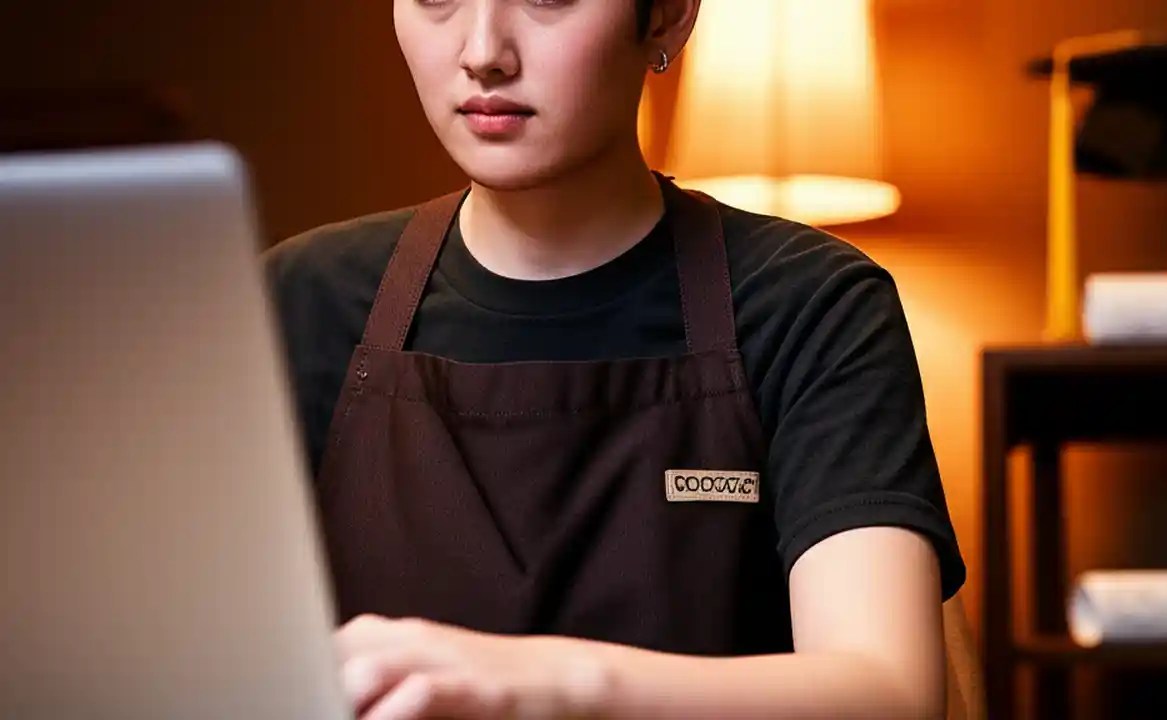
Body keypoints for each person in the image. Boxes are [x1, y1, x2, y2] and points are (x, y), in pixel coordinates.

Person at [264, 0, 966, 717]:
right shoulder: (297, 301)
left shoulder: (810, 305)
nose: (482, 52)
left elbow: (890, 694)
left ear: (667, 17)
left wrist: (550, 683)